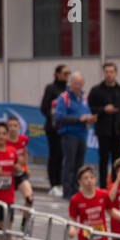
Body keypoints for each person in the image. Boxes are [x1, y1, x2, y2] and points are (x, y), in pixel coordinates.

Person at [87, 62, 120, 188]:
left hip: (118, 130)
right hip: (103, 130)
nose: (109, 75)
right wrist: (103, 110)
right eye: (107, 72)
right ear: (104, 73)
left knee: (117, 160)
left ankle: (115, 184)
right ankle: (103, 186)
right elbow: (90, 108)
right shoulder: (96, 90)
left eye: (111, 72)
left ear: (116, 73)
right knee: (103, 159)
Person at [53, 72, 96, 200]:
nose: (78, 86)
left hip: (82, 134)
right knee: (69, 164)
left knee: (79, 165)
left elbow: (87, 113)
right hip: (69, 134)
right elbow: (59, 117)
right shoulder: (64, 98)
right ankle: (68, 191)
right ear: (70, 83)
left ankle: (76, 190)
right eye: (75, 83)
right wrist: (78, 119)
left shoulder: (84, 98)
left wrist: (90, 119)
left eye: (80, 84)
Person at [41, 64, 71, 196]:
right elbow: (44, 107)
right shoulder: (51, 88)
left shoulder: (68, 90)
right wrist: (55, 117)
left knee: (64, 156)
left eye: (68, 74)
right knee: (55, 155)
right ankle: (54, 183)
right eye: (65, 73)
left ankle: (62, 183)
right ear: (57, 74)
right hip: (53, 128)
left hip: (66, 128)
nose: (67, 76)